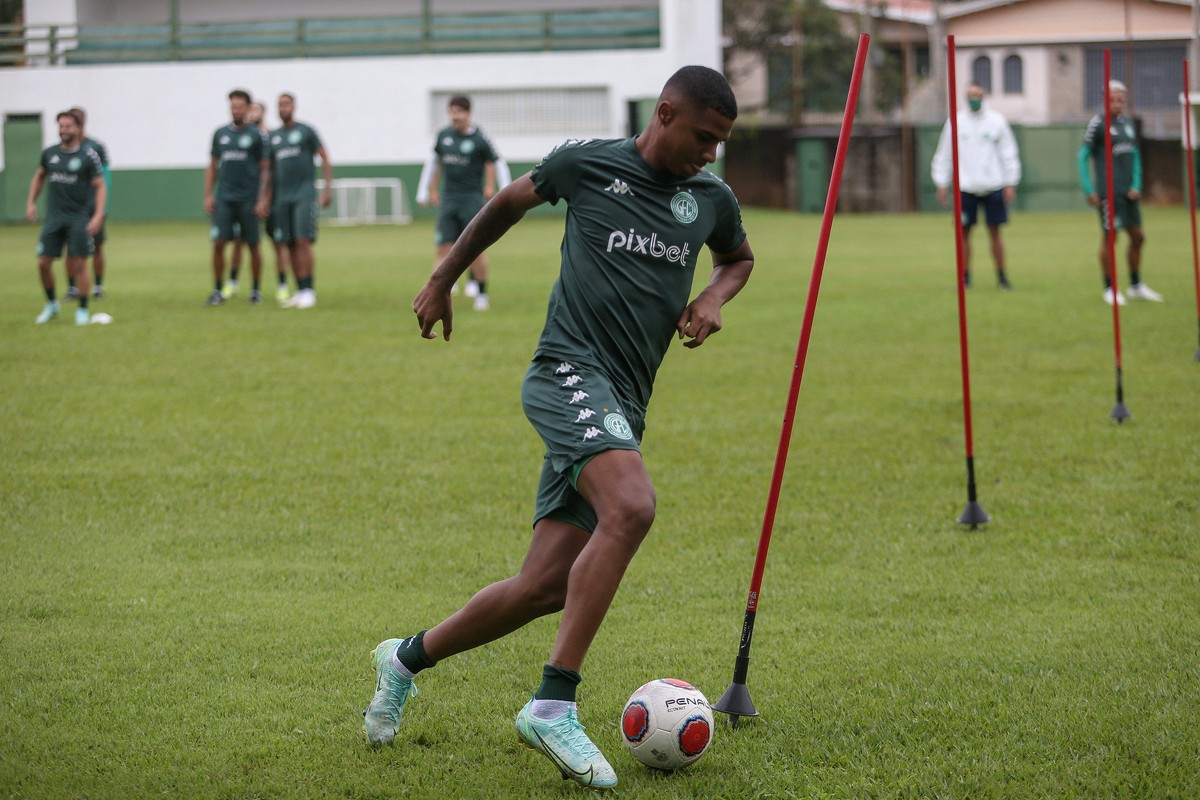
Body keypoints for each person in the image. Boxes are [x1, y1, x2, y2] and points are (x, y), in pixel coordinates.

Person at [365, 66, 755, 789]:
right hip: (566, 373)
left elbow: (738, 258)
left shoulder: (709, 199)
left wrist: (713, 297)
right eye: (704, 137)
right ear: (665, 113)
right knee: (632, 505)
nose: (711, 154)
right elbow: (506, 203)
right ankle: (553, 702)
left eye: (720, 143)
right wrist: (443, 278)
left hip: (623, 403)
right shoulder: (588, 164)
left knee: (543, 585)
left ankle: (404, 658)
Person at [415, 95, 509, 311]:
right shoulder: (444, 136)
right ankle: (437, 294)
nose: (454, 116)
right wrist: (425, 191)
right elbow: (433, 163)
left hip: (471, 200)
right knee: (442, 247)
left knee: (475, 248)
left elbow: (497, 163)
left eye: (458, 112)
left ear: (468, 113)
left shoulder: (480, 139)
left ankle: (481, 294)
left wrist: (504, 191)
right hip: (448, 200)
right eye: (451, 112)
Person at [1078, 80, 1162, 306]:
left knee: (1138, 237)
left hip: (1129, 193)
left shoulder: (1127, 124)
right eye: (1112, 100)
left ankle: (1135, 285)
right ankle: (1109, 288)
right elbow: (1082, 157)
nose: (1117, 104)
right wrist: (1089, 188)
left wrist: (1137, 184)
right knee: (1110, 238)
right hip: (1109, 193)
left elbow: (1135, 156)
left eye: (1120, 100)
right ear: (1105, 100)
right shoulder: (1097, 124)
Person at [931, 82, 1021, 289]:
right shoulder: (955, 122)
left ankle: (1002, 277)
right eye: (971, 95)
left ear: (983, 96)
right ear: (965, 97)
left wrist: (1010, 182)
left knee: (995, 232)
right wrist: (941, 182)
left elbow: (1008, 153)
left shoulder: (997, 121)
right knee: (964, 233)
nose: (974, 98)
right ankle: (965, 278)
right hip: (965, 187)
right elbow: (944, 154)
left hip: (994, 186)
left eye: (978, 94)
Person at [26, 110, 106, 326]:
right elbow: (39, 176)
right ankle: (52, 304)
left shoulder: (88, 156)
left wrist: (98, 214)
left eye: (68, 126)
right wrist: (31, 202)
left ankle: (82, 310)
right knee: (43, 263)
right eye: (61, 126)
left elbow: (100, 186)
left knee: (79, 264)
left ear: (78, 128)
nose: (63, 130)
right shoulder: (50, 153)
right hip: (54, 218)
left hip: (78, 218)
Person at [203, 89, 270, 306]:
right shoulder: (220, 134)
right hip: (224, 198)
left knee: (253, 244)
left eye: (240, 107)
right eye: (233, 107)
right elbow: (213, 166)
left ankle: (256, 291)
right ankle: (217, 290)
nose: (236, 111)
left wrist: (262, 199)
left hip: (249, 199)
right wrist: (208, 194)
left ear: (248, 108)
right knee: (219, 243)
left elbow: (265, 169)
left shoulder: (257, 135)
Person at [267, 92, 332, 309]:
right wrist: (266, 198)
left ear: (293, 106)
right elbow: (269, 170)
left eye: (286, 104)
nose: (283, 108)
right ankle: (300, 289)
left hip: (303, 195)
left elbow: (325, 157)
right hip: (281, 197)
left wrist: (327, 189)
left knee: (303, 241)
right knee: (289, 243)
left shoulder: (306, 131)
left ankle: (309, 291)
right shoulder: (274, 137)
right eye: (280, 105)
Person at [65, 106, 110, 301]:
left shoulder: (95, 147)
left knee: (97, 246)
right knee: (71, 249)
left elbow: (105, 177)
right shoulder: (62, 149)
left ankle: (98, 287)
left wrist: (103, 207)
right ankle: (72, 288)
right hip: (71, 208)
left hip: (91, 206)